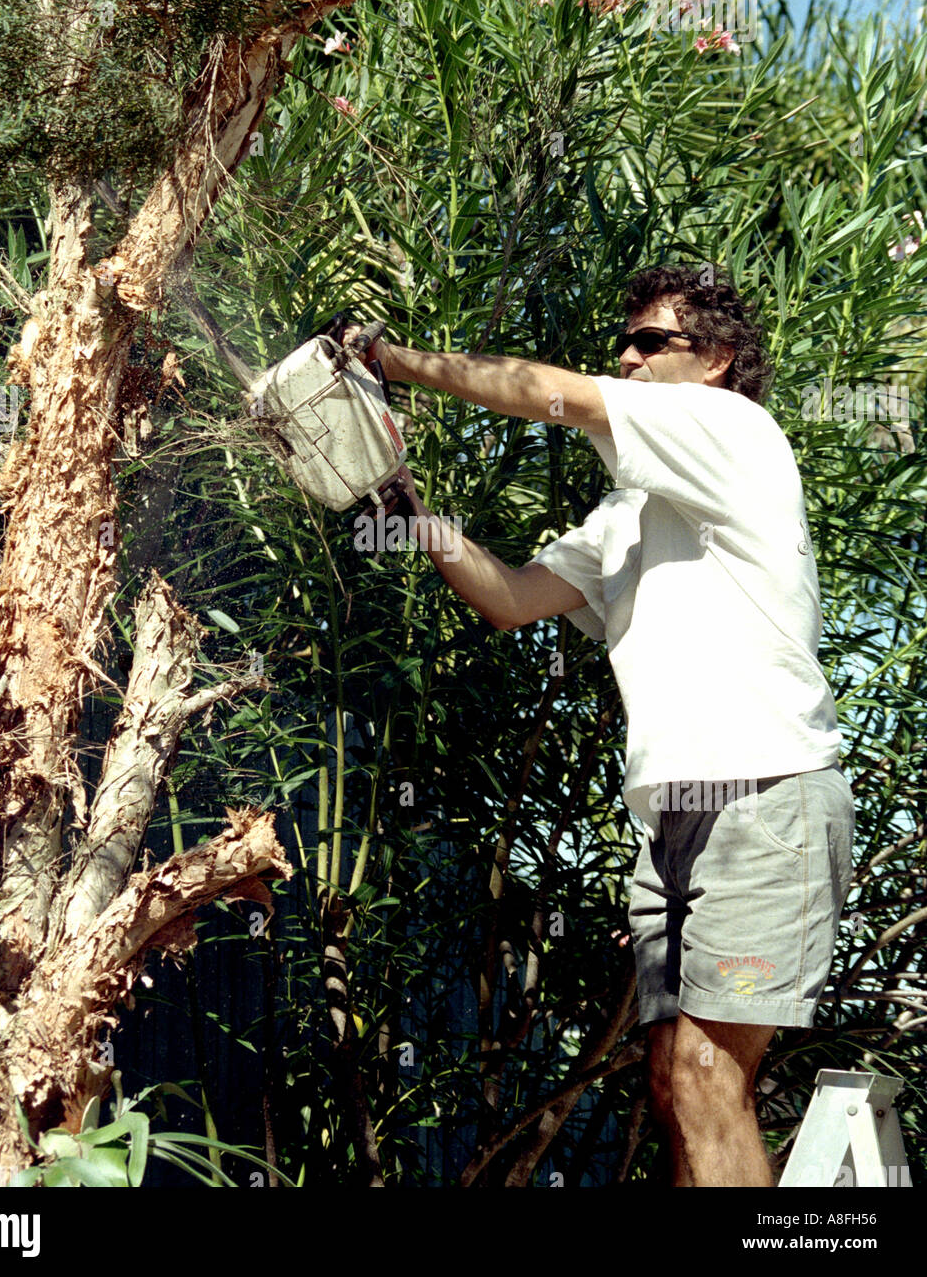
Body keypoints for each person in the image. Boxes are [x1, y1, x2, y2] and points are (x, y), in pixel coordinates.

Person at [344, 265, 854, 1187]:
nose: (625, 356)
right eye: (624, 342)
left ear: (718, 361)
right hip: (672, 823)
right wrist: (404, 504)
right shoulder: (627, 514)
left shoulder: (734, 430)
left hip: (767, 799)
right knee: (675, 1081)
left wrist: (388, 360)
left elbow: (552, 395)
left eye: (651, 342)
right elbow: (510, 598)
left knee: (706, 1073)